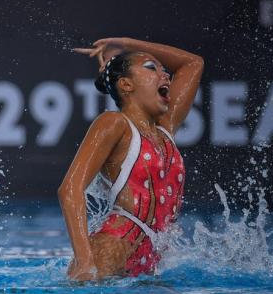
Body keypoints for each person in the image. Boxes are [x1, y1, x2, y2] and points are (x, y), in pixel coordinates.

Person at [59, 37, 203, 280]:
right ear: (126, 85)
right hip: (107, 256)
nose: (165, 75)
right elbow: (70, 189)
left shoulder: (165, 130)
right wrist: (85, 263)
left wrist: (125, 44)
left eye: (164, 71)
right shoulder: (114, 124)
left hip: (148, 263)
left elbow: (193, 63)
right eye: (151, 68)